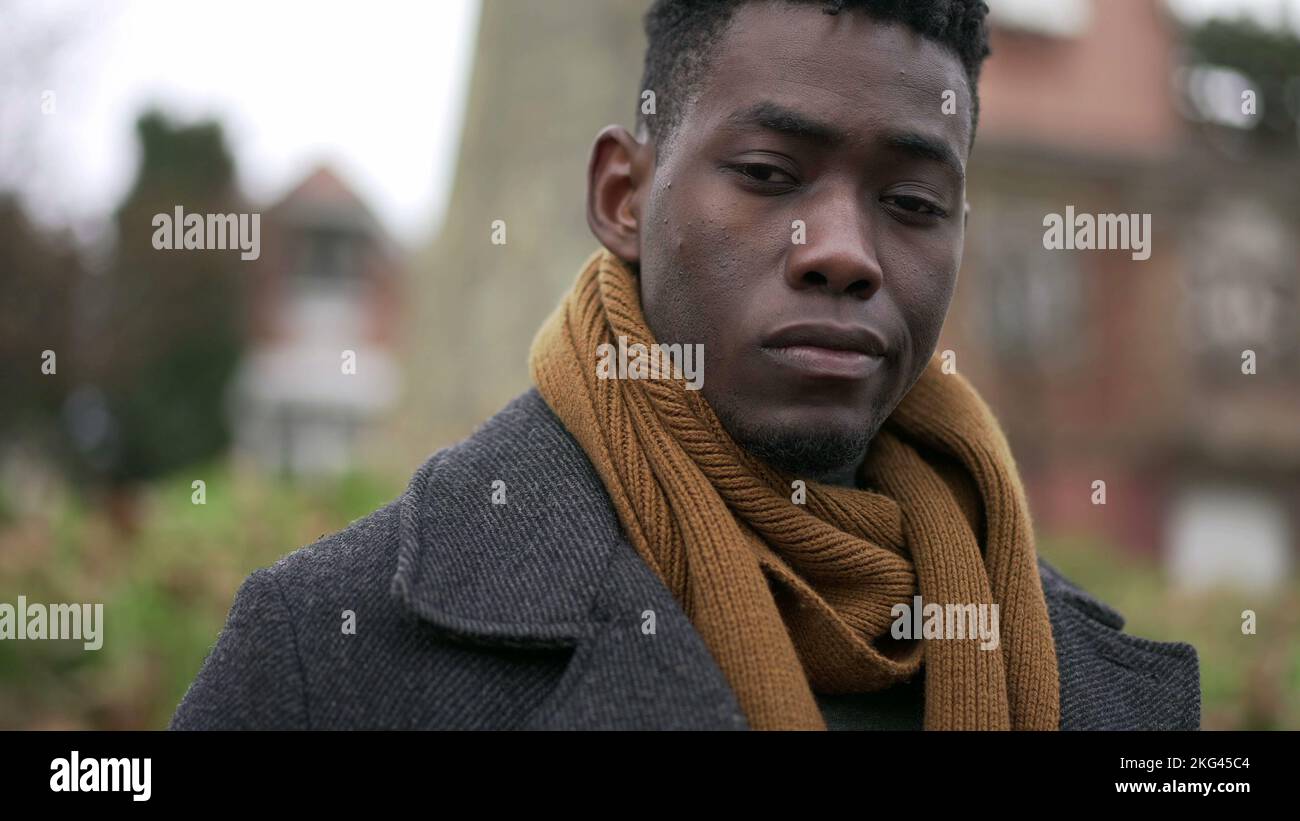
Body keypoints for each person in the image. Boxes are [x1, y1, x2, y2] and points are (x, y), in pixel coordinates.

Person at [171, 0, 1200, 731]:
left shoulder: (1098, 687)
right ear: (624, 193)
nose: (842, 249)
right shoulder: (330, 651)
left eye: (914, 203)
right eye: (767, 173)